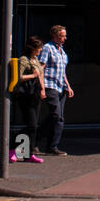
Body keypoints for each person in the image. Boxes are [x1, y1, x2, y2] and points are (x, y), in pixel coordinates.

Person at [37, 25, 74, 156]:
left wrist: (68, 86)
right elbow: (40, 68)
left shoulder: (62, 51)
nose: (65, 38)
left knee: (59, 118)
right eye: (62, 36)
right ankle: (37, 140)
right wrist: (42, 88)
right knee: (56, 115)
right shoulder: (47, 48)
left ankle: (51, 146)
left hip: (60, 87)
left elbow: (62, 71)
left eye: (65, 35)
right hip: (49, 85)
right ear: (55, 36)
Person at [11, 36, 46, 164]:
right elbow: (18, 77)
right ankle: (12, 146)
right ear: (33, 48)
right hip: (25, 95)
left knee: (33, 126)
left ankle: (28, 154)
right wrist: (33, 75)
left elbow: (40, 74)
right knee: (31, 125)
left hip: (35, 95)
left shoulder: (35, 59)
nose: (41, 50)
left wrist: (42, 89)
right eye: (39, 48)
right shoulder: (24, 60)